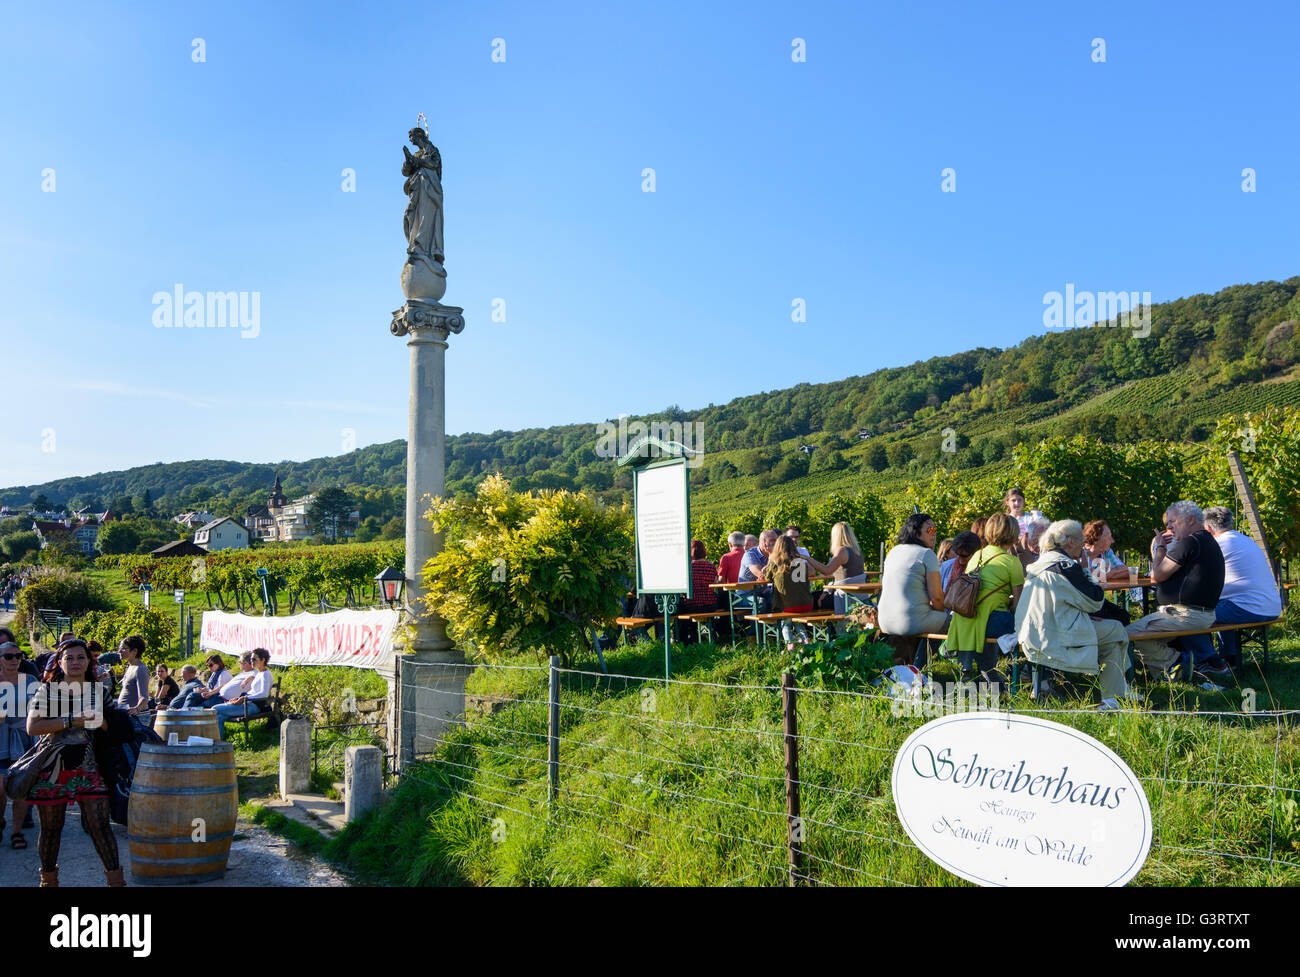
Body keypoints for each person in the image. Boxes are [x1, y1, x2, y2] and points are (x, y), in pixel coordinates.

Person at [25, 637, 123, 886]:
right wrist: (71, 720)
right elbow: (33, 727)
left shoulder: (99, 691)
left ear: (89, 661)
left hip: (91, 767)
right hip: (52, 769)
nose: (76, 662)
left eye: (81, 657)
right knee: (50, 829)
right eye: (69, 658)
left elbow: (115, 727)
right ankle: (48, 881)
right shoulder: (47, 691)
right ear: (60, 662)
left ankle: (116, 882)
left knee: (100, 826)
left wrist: (100, 722)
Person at [1016, 521, 1137, 710]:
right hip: (1055, 636)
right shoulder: (1065, 566)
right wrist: (1086, 570)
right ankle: (1115, 694)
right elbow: (1095, 600)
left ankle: (1117, 690)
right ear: (1070, 542)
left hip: (1032, 632)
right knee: (1116, 629)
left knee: (1113, 633)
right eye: (1081, 539)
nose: (1083, 544)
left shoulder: (1041, 563)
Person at [1126, 501, 1225, 680]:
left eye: (1173, 521)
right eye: (1166, 524)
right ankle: (1169, 671)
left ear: (1191, 520)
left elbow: (1157, 576)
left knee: (1127, 635)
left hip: (1184, 615)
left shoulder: (1189, 542)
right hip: (1199, 614)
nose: (1169, 527)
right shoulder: (1205, 540)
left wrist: (1160, 547)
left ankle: (1176, 664)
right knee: (1144, 638)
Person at [946, 513, 1024, 684]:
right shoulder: (1012, 562)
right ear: (1013, 534)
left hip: (965, 618)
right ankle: (1025, 674)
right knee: (1028, 626)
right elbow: (1019, 604)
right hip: (992, 620)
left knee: (987, 660)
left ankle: (990, 686)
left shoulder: (977, 555)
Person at [1201, 507, 1282, 670]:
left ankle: (1209, 661)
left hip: (1250, 608)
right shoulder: (1247, 540)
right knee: (1223, 605)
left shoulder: (1217, 545)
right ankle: (1229, 658)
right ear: (1230, 524)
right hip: (1272, 607)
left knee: (1196, 615)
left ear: (1208, 528)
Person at [878, 513, 949, 666]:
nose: (934, 534)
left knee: (928, 619)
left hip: (885, 620)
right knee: (955, 622)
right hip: (910, 621)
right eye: (929, 530)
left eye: (935, 530)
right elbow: (937, 597)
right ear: (916, 532)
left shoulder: (893, 551)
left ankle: (912, 665)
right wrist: (941, 612)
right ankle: (921, 667)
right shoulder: (927, 554)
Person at [0, 640, 37, 849]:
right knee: (0, 789)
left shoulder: (30, 680)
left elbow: (41, 707)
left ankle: (16, 831)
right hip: (1, 740)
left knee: (21, 789)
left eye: (18, 656)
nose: (14, 660)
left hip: (24, 741)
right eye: (8, 656)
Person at [1081, 519, 1138, 624]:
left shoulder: (1106, 552)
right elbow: (1087, 577)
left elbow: (1126, 570)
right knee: (1114, 618)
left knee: (1123, 615)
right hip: (1085, 603)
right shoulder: (1079, 554)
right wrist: (1110, 573)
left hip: (1099, 599)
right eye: (1109, 537)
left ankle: (1124, 640)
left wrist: (1107, 574)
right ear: (1098, 538)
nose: (1112, 541)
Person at [212, 648, 273, 740]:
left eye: (254, 659)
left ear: (263, 660)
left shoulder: (266, 674)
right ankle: (218, 742)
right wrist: (248, 681)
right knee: (220, 717)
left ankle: (215, 742)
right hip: (248, 703)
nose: (251, 661)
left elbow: (264, 694)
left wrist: (245, 698)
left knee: (214, 709)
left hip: (254, 706)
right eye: (251, 659)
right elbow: (255, 684)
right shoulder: (260, 673)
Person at [766, 535, 814, 642]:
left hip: (788, 606)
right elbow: (812, 573)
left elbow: (767, 578)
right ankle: (806, 641)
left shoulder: (776, 563)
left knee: (786, 623)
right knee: (797, 622)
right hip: (806, 603)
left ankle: (790, 644)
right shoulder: (801, 562)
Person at [677, 540, 720, 644]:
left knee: (679, 608)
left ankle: (682, 637)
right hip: (710, 605)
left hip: (691, 604)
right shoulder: (711, 566)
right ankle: (698, 634)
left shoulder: (687, 568)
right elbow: (716, 583)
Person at [823, 522, 866, 616]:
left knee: (812, 600)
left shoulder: (842, 551)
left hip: (846, 597)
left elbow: (827, 571)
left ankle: (827, 628)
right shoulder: (857, 550)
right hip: (859, 597)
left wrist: (808, 559)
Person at [737, 530, 779, 614]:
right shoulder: (750, 554)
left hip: (764, 592)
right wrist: (771, 556)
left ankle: (778, 626)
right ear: (763, 542)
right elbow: (762, 576)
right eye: (773, 540)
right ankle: (756, 627)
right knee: (760, 602)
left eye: (776, 540)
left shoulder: (776, 554)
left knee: (779, 599)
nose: (776, 543)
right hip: (744, 596)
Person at [116, 635, 149, 716]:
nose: (119, 651)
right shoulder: (131, 667)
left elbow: (144, 698)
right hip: (125, 715)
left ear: (134, 651)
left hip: (136, 718)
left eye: (124, 648)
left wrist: (137, 709)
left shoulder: (140, 669)